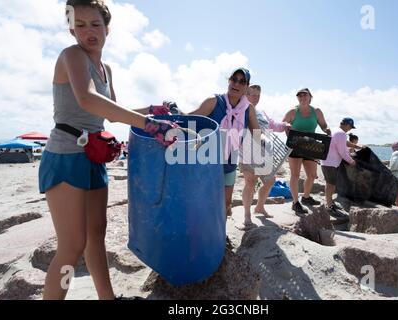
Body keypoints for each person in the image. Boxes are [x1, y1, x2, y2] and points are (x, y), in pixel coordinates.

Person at [39, 0, 177, 300]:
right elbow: (88, 100)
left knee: (96, 237)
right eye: (81, 25)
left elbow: (112, 111)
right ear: (71, 30)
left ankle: (107, 298)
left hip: (92, 156)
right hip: (64, 156)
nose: (88, 31)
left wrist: (152, 110)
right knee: (71, 245)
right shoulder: (71, 55)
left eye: (95, 24)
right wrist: (150, 125)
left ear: (107, 29)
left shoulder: (107, 68)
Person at [190, 68, 260, 218]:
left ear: (246, 87)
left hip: (230, 163)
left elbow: (257, 135)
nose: (237, 83)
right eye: (234, 79)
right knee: (203, 202)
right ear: (229, 81)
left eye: (242, 81)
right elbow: (189, 120)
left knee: (226, 204)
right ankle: (200, 237)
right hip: (206, 162)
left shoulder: (248, 109)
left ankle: (221, 236)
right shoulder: (214, 101)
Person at [238, 85, 290, 229]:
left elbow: (273, 125)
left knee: (270, 180)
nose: (256, 98)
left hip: (264, 153)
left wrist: (285, 125)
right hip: (247, 152)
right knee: (250, 182)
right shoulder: (241, 110)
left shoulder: (261, 112)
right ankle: (247, 216)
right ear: (245, 95)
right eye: (253, 95)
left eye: (258, 95)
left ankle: (259, 207)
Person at [282, 88, 332, 214]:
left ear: (310, 97)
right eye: (300, 96)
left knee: (312, 175)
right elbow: (282, 124)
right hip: (295, 146)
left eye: (305, 95)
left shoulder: (317, 111)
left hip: (311, 146)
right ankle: (295, 202)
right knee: (295, 175)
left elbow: (324, 125)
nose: (302, 98)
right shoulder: (293, 112)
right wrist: (287, 127)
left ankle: (306, 197)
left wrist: (327, 130)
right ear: (297, 98)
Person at [321, 118, 357, 218]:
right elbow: (343, 152)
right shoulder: (341, 134)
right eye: (350, 127)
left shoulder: (334, 130)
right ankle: (329, 206)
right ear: (347, 125)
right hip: (331, 163)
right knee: (331, 185)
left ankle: (330, 203)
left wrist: (355, 146)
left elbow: (343, 144)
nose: (350, 130)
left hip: (326, 161)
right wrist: (351, 161)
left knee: (330, 184)